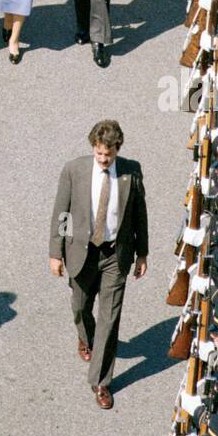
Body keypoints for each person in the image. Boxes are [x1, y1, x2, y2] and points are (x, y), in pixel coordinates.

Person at [48, 119, 149, 409]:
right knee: (80, 306)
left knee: (110, 318)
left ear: (118, 149)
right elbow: (62, 214)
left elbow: (139, 213)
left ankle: (101, 382)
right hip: (82, 253)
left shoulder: (132, 170)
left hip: (116, 255)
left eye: (109, 154)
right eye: (100, 153)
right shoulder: (74, 170)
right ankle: (86, 337)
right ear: (93, 147)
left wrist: (142, 252)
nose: (104, 160)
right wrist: (56, 253)